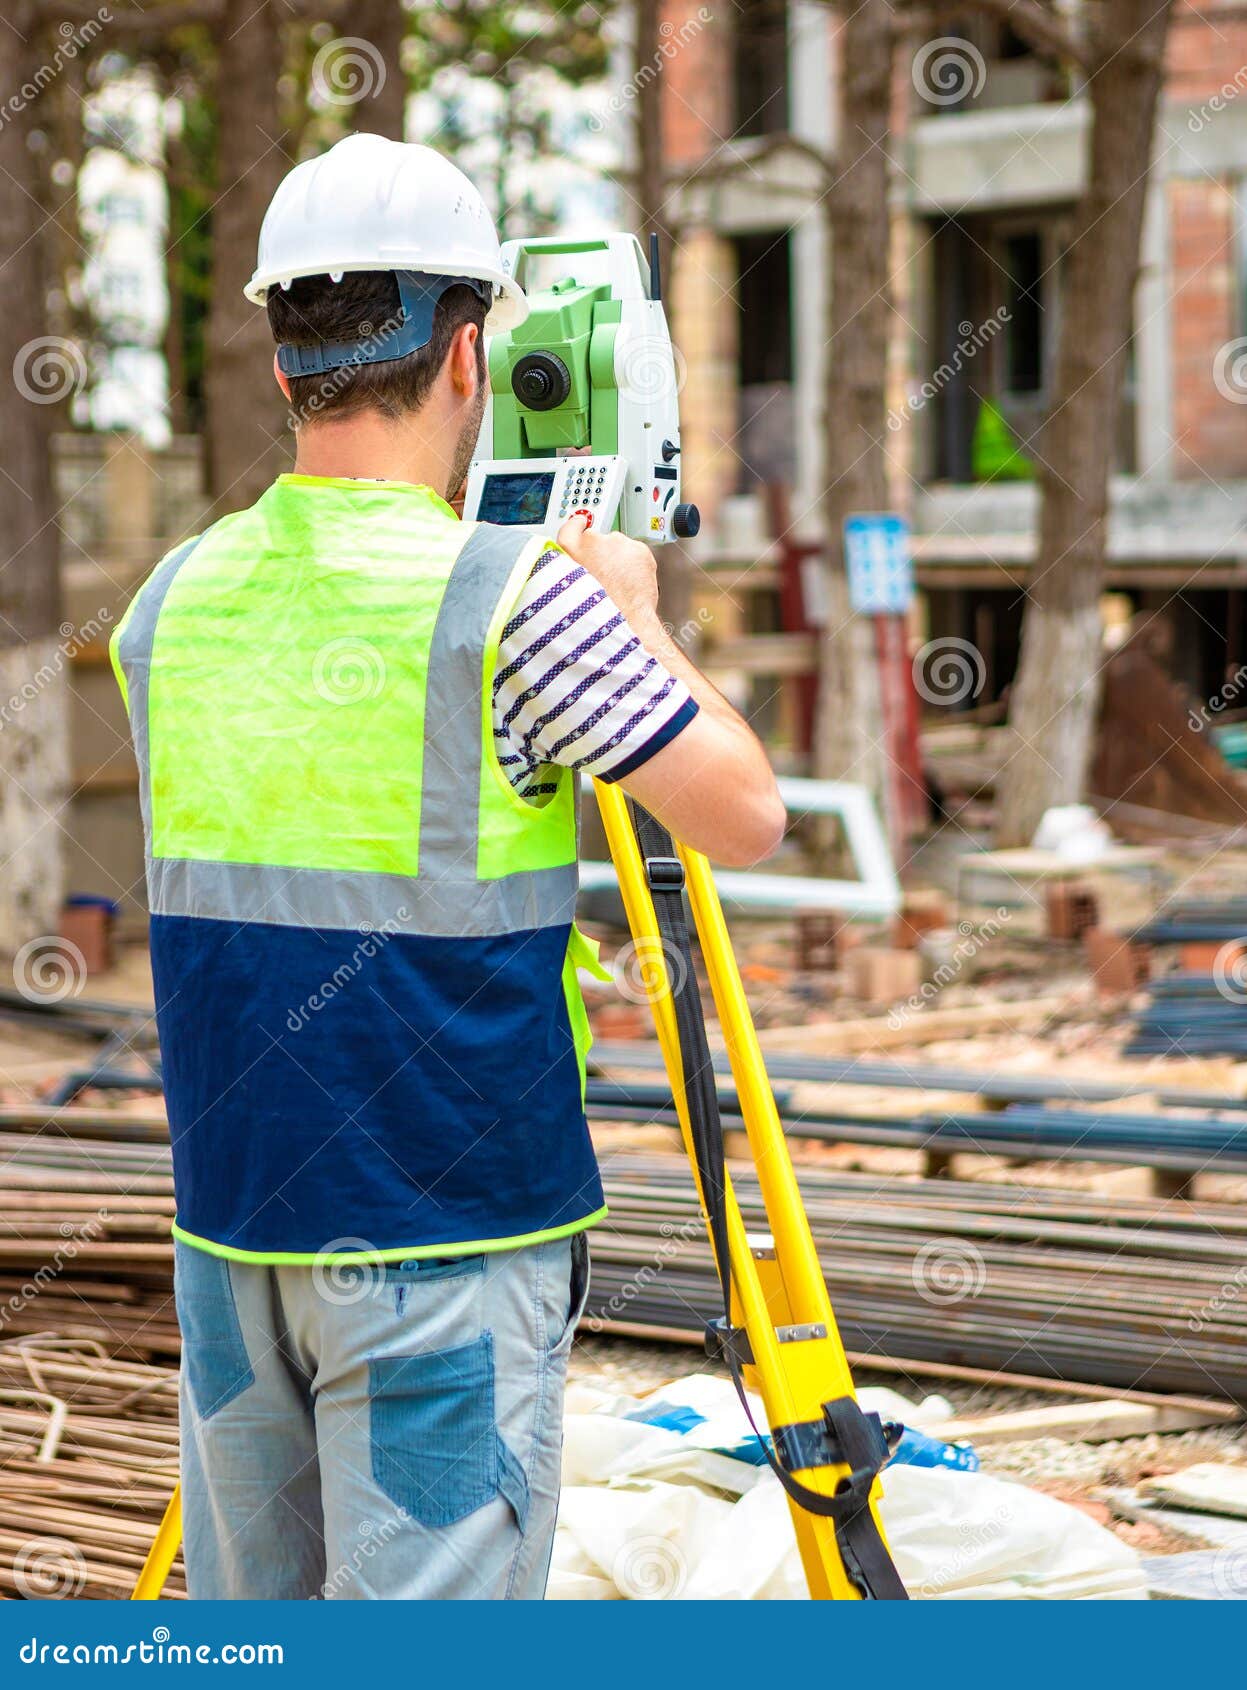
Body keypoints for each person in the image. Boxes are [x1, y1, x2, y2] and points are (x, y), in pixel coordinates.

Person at [111, 132, 784, 1600]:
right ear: (472, 354)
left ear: (286, 362)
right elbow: (743, 814)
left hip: (232, 1239)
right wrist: (635, 615)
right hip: (446, 1240)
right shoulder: (516, 604)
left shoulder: (166, 606)